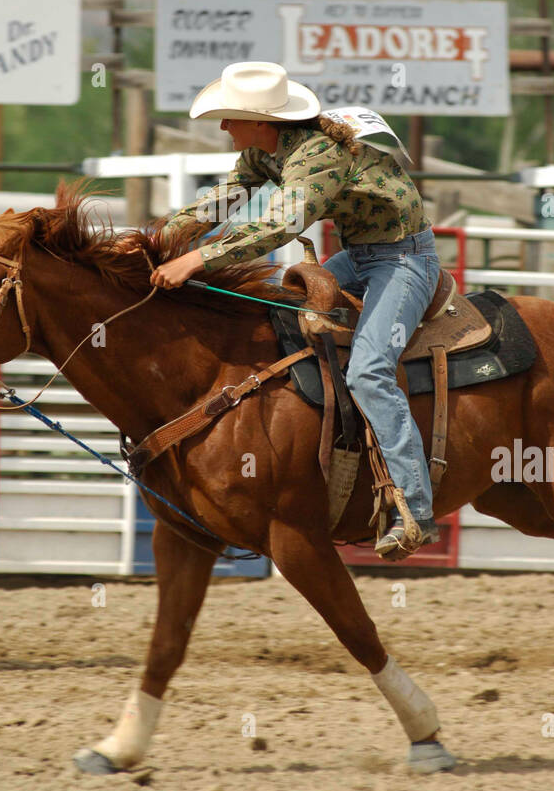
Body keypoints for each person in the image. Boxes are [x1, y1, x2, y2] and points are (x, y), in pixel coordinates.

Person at [152, 61, 441, 558]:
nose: (223, 127)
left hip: (404, 258)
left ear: (263, 121)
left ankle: (414, 508)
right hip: (359, 255)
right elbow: (220, 202)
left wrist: (197, 258)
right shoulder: (261, 151)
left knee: (371, 369)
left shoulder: (317, 155)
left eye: (231, 117)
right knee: (283, 321)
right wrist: (156, 242)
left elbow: (277, 226)